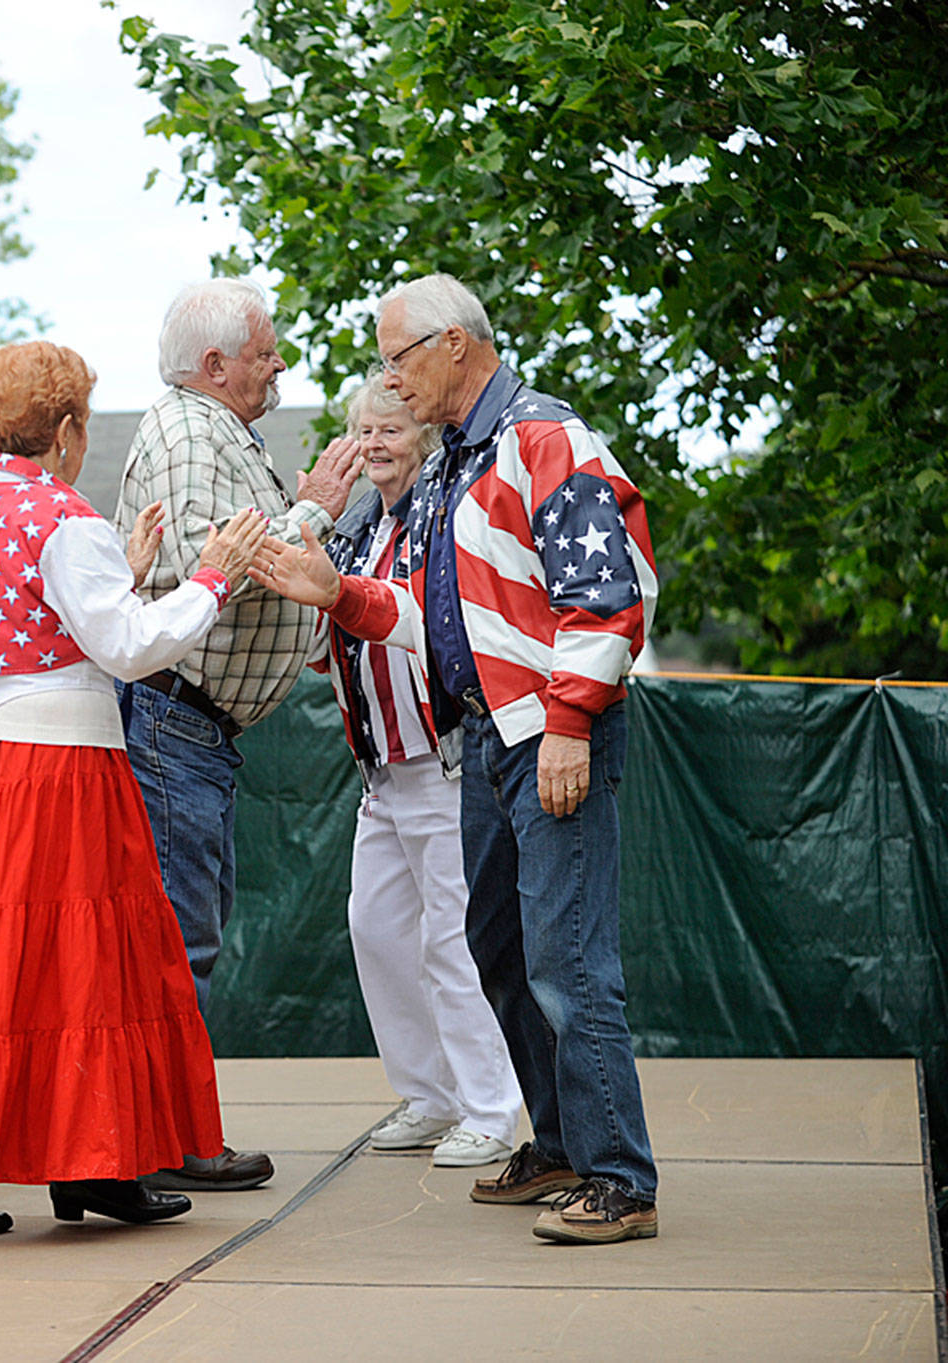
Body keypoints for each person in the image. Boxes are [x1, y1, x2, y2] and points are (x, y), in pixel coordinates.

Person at [0, 340, 273, 1240]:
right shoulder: (66, 518)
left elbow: (16, 614)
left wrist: (126, 568)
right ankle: (95, 1163)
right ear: (70, 428)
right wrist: (212, 579)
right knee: (87, 966)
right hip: (62, 767)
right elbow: (128, 647)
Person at [256, 272, 660, 1245]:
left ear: (451, 346)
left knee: (563, 956)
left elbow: (610, 596)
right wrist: (334, 594)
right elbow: (427, 612)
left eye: (395, 359)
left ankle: (618, 1179)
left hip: (541, 734)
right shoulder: (455, 466)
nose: (388, 384)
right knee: (499, 948)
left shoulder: (540, 440)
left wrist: (567, 722)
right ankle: (559, 1143)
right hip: (483, 737)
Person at [110, 278, 365, 1194]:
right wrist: (315, 513)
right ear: (215, 365)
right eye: (266, 354)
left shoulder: (208, 429)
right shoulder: (188, 433)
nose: (281, 365)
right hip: (178, 719)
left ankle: (160, 1131)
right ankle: (171, 1138)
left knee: (178, 935)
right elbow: (194, 563)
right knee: (179, 941)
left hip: (191, 722)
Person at [309, 377, 522, 1168]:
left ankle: (491, 1108)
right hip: (381, 769)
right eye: (362, 430)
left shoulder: (440, 508)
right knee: (376, 926)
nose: (372, 443)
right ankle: (430, 1095)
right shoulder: (364, 523)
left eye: (388, 427)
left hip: (444, 757)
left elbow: (432, 613)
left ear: (423, 435)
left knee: (453, 938)